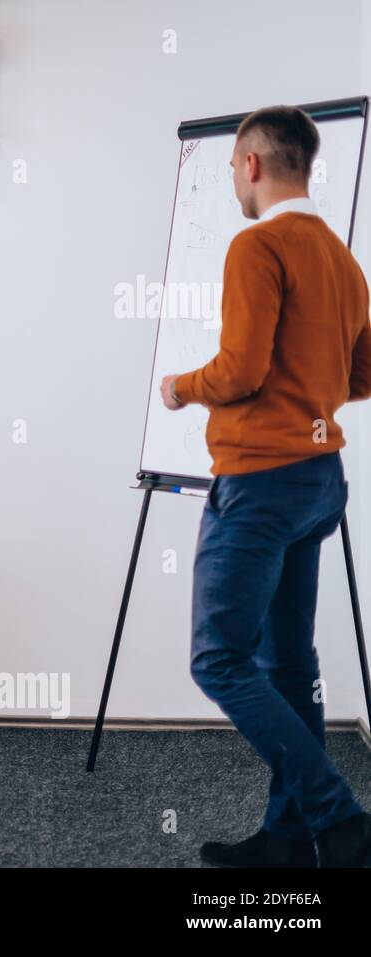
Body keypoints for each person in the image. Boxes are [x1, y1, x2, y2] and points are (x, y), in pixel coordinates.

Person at [161, 105, 371, 868]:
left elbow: (240, 371)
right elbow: (364, 375)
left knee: (218, 659)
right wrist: (306, 404)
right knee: (290, 663)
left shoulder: (259, 245)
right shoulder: (342, 260)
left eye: (231, 170)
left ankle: (339, 816)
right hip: (319, 481)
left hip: (259, 482)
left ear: (251, 164)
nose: (233, 183)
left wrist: (182, 386)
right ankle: (288, 837)